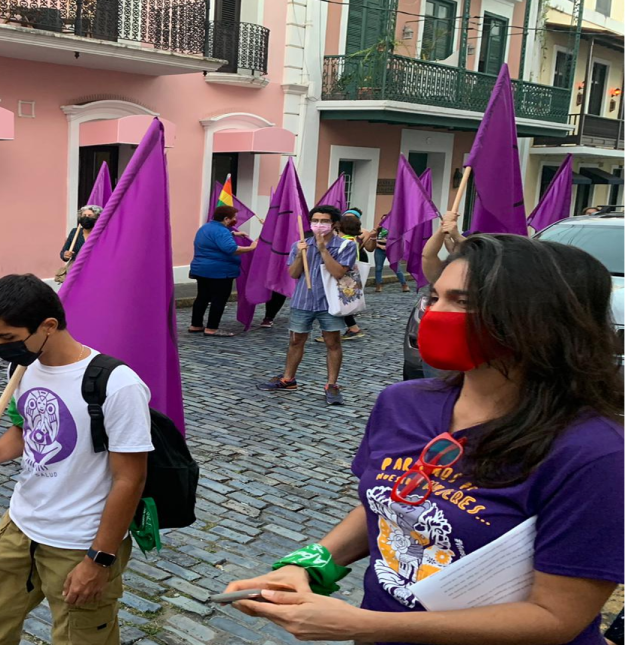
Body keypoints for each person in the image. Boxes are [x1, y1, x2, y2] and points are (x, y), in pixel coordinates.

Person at [224, 234, 625, 645]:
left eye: (462, 301)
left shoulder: (595, 453)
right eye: (434, 297)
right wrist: (308, 566)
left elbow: (557, 617)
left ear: (538, 318)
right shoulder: (403, 403)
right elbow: (388, 505)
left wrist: (364, 624)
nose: (433, 312)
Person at [0, 274, 152, 645]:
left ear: (48, 326)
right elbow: (24, 431)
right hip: (20, 526)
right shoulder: (22, 368)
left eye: (6, 337)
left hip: (79, 540)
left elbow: (130, 479)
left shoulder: (118, 385)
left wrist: (99, 559)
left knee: (81, 637)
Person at [256, 205, 356, 406]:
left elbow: (338, 273)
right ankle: (288, 379)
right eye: (315, 220)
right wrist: (301, 255)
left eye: (324, 221)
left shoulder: (346, 246)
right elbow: (293, 274)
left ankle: (332, 384)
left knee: (333, 343)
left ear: (334, 224)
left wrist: (322, 249)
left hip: (330, 303)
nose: (319, 224)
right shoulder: (300, 245)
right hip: (303, 300)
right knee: (296, 341)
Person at [189, 205, 258, 337]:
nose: (235, 220)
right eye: (234, 218)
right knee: (219, 299)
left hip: (201, 269)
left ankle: (195, 325)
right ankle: (212, 328)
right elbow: (232, 249)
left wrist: (234, 233)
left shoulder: (206, 227)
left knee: (202, 297)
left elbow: (214, 238)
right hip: (219, 272)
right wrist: (251, 248)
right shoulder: (221, 231)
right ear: (226, 219)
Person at [335, 212, 375, 340]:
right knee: (340, 304)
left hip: (344, 276)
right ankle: (350, 328)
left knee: (339, 303)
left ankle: (348, 329)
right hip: (347, 277)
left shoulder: (346, 241)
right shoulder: (351, 239)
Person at [374, 226, 410, 293]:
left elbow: (397, 240)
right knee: (378, 268)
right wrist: (380, 246)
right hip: (379, 250)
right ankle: (378, 285)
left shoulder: (394, 229)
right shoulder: (378, 229)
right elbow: (373, 240)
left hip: (392, 250)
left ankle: (404, 284)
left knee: (397, 268)